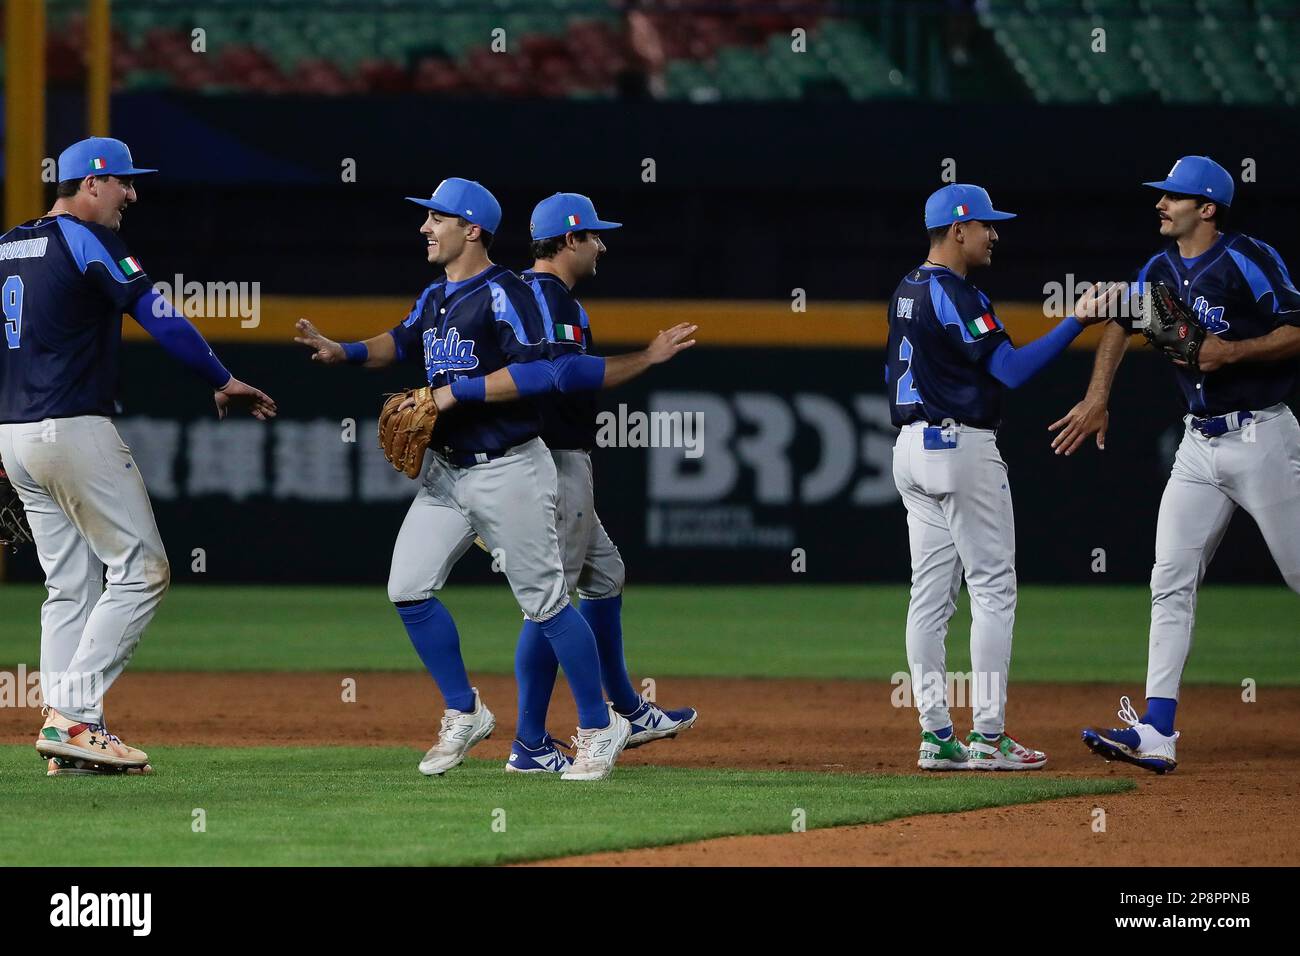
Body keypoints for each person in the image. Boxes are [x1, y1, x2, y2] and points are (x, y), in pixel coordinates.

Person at [293, 178, 630, 781]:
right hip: (446, 474)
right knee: (408, 587)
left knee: (547, 603)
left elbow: (539, 375)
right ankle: (464, 710)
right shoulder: (434, 296)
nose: (425, 227)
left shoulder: (507, 293)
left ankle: (599, 728)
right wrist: (340, 351)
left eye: (437, 219)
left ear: (471, 229)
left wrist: (451, 394)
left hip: (509, 470)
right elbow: (398, 342)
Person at [0, 136, 276, 777]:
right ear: (90, 184)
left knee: (68, 586)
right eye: (122, 181)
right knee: (141, 570)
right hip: (72, 428)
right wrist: (219, 375)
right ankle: (73, 717)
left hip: (15, 434)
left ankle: (68, 736)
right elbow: (158, 314)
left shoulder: (11, 244)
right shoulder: (87, 239)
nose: (132, 193)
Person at [427, 192, 698, 773]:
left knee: (606, 575)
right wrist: (647, 357)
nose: (602, 245)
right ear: (570, 239)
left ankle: (628, 706)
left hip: (543, 460)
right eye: (595, 236)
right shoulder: (546, 298)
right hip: (549, 463)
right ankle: (529, 742)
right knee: (548, 601)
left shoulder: (537, 293)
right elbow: (563, 376)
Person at [1050, 156, 1300, 773]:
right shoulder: (1160, 268)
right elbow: (1125, 319)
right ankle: (1158, 730)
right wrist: (1098, 395)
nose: (1161, 203)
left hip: (1261, 436)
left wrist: (1233, 351)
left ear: (1207, 208)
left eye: (1174, 196)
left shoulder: (1246, 257)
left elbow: (1297, 327)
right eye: (1161, 195)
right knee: (1169, 580)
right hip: (1197, 446)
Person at [887, 183, 1118, 771]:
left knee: (930, 598)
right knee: (993, 590)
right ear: (957, 230)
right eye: (986, 224)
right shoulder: (956, 292)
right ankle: (988, 737)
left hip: (911, 449)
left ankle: (937, 737)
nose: (995, 234)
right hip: (960, 448)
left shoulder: (908, 287)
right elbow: (1011, 371)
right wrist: (1078, 319)